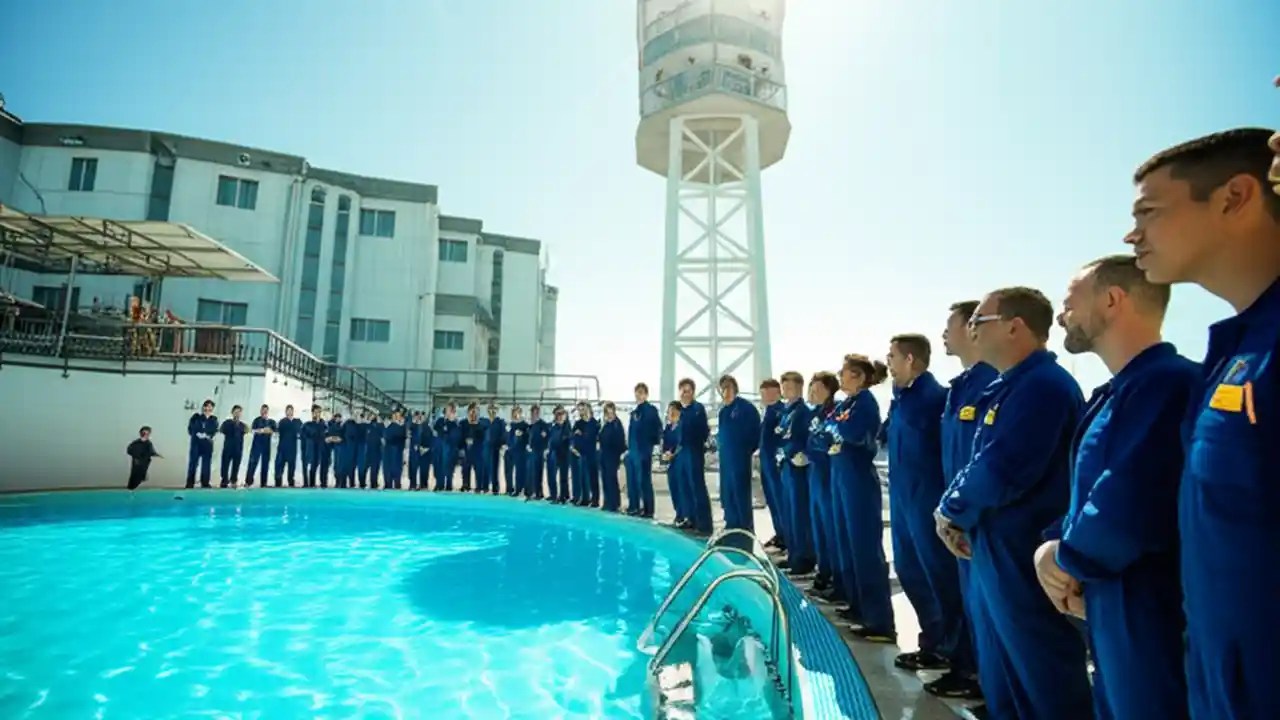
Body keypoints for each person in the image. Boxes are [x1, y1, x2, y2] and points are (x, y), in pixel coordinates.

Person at [1126, 128, 1280, 719]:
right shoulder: (1238, 351)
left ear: (1234, 198)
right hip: (1220, 673)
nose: (1131, 232)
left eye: (1150, 211)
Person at [1037, 254, 1196, 720]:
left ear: (1112, 300)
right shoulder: (1116, 393)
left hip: (1148, 606)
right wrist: (1054, 544)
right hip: (1108, 597)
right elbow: (1085, 492)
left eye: (1070, 303)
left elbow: (1128, 499)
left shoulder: (1168, 384)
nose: (1062, 316)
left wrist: (1064, 557)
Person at [935, 287, 1091, 720]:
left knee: (1040, 666)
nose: (970, 331)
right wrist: (954, 512)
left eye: (977, 322)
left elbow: (1004, 467)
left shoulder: (1042, 387)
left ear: (1014, 327)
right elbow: (981, 461)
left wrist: (950, 511)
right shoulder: (1009, 388)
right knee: (1004, 662)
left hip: (1022, 546)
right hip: (991, 540)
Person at [883, 335, 973, 685]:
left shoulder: (934, 398)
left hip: (927, 498)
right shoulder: (902, 399)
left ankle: (959, 655)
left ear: (910, 359)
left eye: (892, 356)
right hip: (904, 500)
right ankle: (934, 642)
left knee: (941, 578)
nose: (887, 362)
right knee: (911, 572)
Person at [931, 301, 997, 702]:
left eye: (949, 325)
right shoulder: (962, 386)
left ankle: (984, 681)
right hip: (956, 514)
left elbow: (994, 461)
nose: (944, 333)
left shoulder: (993, 384)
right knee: (973, 607)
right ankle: (974, 675)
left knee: (994, 615)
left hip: (982, 519)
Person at [830, 356, 896, 643]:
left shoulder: (866, 402)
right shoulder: (847, 404)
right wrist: (834, 431)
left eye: (843, 373)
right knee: (848, 545)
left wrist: (836, 431)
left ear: (856, 376)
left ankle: (878, 620)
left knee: (865, 549)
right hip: (843, 477)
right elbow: (825, 431)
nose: (840, 378)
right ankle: (858, 607)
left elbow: (853, 433)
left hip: (858, 479)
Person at [804, 373, 840, 597]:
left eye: (817, 388)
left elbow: (828, 441)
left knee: (830, 527)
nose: (813, 392)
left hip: (828, 474)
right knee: (818, 525)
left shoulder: (833, 413)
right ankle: (823, 573)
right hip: (815, 473)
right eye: (812, 388)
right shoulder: (815, 414)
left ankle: (835, 578)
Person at [777, 372, 815, 575]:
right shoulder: (786, 412)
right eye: (784, 387)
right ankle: (793, 555)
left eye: (790, 387)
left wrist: (794, 453)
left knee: (799, 513)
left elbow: (801, 438)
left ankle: (803, 557)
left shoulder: (802, 412)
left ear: (800, 388)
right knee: (789, 513)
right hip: (785, 466)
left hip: (797, 467)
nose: (786, 391)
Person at [717, 375, 762, 541]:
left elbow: (756, 432)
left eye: (728, 387)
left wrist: (746, 450)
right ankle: (731, 526)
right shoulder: (723, 411)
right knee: (727, 493)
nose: (725, 392)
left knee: (740, 494)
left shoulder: (746, 408)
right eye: (723, 389)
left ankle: (745, 530)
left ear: (735, 388)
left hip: (740, 458)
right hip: (725, 459)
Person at [675, 379, 712, 533]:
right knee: (684, 486)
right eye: (683, 391)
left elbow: (704, 431)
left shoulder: (698, 409)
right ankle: (690, 518)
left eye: (688, 391)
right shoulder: (678, 410)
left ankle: (704, 524)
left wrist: (698, 445)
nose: (685, 393)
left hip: (694, 451)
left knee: (697, 486)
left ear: (693, 392)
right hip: (681, 452)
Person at [757, 378, 788, 550]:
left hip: (776, 462)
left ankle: (787, 537)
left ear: (777, 392)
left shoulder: (781, 412)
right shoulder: (767, 412)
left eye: (768, 392)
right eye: (762, 393)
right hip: (765, 461)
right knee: (772, 500)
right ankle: (780, 533)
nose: (764, 396)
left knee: (781, 500)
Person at [626, 383, 663, 517]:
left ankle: (648, 509)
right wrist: (629, 449)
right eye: (637, 393)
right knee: (634, 481)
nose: (638, 395)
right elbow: (630, 433)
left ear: (646, 394)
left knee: (644, 481)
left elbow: (658, 429)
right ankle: (635, 506)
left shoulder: (651, 410)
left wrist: (654, 446)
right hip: (634, 451)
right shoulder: (634, 413)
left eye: (641, 392)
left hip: (644, 451)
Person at [571, 403, 601, 506]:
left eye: (583, 409)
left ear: (588, 409)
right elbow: (573, 437)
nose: (581, 412)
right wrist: (574, 447)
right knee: (583, 477)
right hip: (581, 454)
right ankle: (585, 498)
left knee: (594, 477)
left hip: (593, 453)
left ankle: (595, 500)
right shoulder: (578, 424)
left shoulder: (595, 424)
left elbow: (598, 438)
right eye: (579, 410)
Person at [597, 402, 626, 511]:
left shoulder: (617, 424)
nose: (609, 414)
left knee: (611, 479)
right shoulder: (605, 424)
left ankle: (614, 503)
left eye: (610, 412)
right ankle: (607, 501)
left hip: (612, 456)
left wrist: (617, 455)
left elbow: (620, 442)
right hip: (604, 455)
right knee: (605, 479)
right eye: (607, 412)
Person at [185, 399, 217, 489]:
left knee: (206, 464)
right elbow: (191, 428)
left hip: (207, 444)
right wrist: (197, 433)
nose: (208, 408)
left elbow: (214, 430)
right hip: (196, 444)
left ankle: (205, 482)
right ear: (204, 407)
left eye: (211, 407)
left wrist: (207, 435)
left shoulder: (213, 419)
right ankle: (190, 483)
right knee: (193, 463)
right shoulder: (196, 417)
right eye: (207, 406)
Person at [245, 405, 275, 488]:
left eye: (266, 410)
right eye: (263, 410)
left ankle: (263, 483)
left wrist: (269, 431)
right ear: (260, 411)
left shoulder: (271, 421)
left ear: (268, 411)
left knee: (265, 463)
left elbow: (274, 431)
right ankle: (248, 481)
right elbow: (252, 430)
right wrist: (262, 430)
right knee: (253, 462)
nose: (264, 411)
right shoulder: (257, 420)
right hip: (257, 444)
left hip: (266, 445)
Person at [218, 404, 247, 488]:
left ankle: (233, 480)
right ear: (232, 412)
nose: (237, 414)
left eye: (239, 412)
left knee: (236, 465)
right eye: (236, 412)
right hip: (228, 447)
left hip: (238, 448)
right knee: (225, 465)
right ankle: (224, 480)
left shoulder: (242, 425)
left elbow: (247, 431)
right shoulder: (227, 423)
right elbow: (221, 430)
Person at [547, 406, 571, 503]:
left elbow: (569, 440)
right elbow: (550, 440)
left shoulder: (567, 428)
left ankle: (563, 497)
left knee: (563, 477)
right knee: (552, 475)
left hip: (564, 455)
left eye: (562, 415)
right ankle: (554, 495)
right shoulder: (553, 427)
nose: (560, 417)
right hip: (554, 454)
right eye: (558, 415)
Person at [274, 405, 302, 487]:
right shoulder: (282, 422)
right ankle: (278, 483)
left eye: (291, 410)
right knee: (279, 465)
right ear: (286, 412)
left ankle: (291, 482)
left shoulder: (298, 422)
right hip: (282, 447)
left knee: (292, 466)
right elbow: (276, 432)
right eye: (288, 410)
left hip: (292, 448)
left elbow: (301, 433)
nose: (289, 412)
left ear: (293, 411)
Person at [527, 405, 551, 500]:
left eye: (536, 412)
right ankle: (532, 491)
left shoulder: (543, 424)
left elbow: (547, 437)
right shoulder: (531, 425)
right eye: (533, 412)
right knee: (531, 472)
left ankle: (538, 492)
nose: (534, 414)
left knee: (538, 472)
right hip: (531, 451)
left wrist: (545, 449)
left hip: (539, 451)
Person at [484, 404, 506, 495]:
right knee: (485, 467)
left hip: (495, 448)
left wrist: (501, 444)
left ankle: (495, 487)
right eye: (490, 410)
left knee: (494, 468)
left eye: (494, 410)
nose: (492, 412)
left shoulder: (500, 422)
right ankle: (485, 487)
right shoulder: (484, 422)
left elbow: (503, 435)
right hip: (485, 447)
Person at [507, 406, 529, 497]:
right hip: (510, 451)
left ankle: (520, 489)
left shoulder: (525, 425)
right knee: (509, 471)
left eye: (517, 413)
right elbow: (506, 436)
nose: (516, 415)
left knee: (520, 471)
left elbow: (527, 438)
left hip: (520, 451)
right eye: (514, 413)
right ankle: (509, 489)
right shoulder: (509, 425)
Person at [302, 405, 326, 489]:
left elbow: (326, 435)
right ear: (312, 413)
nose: (317, 414)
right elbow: (304, 436)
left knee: (319, 465)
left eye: (319, 412)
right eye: (315, 412)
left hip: (321, 449)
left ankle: (322, 483)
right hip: (311, 449)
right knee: (311, 466)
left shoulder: (324, 425)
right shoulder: (307, 425)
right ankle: (309, 483)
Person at [382, 410, 407, 489]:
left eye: (398, 416)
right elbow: (385, 437)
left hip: (397, 450)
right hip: (388, 450)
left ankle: (397, 484)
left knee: (396, 468)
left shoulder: (402, 427)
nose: (396, 418)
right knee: (388, 468)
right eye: (395, 416)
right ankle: (388, 483)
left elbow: (402, 437)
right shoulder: (389, 426)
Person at [362, 411, 384, 489]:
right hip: (367, 450)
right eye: (371, 415)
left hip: (377, 450)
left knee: (375, 469)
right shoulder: (366, 426)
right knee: (364, 468)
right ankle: (362, 483)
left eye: (374, 415)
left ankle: (374, 483)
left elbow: (383, 435)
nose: (373, 416)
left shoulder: (380, 425)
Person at [321, 412, 343, 488]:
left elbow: (341, 438)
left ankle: (338, 482)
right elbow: (326, 437)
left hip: (337, 448)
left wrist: (333, 439)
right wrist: (331, 439)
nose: (338, 419)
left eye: (339, 418)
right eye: (337, 418)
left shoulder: (341, 427)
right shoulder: (328, 425)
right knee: (327, 464)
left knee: (337, 465)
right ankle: (324, 482)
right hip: (328, 448)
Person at [412, 412, 433, 491]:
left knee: (425, 469)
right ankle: (415, 484)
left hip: (426, 451)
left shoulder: (428, 428)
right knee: (415, 468)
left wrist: (426, 448)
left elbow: (431, 439)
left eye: (423, 416)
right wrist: (417, 446)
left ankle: (424, 484)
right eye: (421, 416)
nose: (421, 417)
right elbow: (414, 438)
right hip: (418, 451)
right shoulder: (417, 427)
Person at [342, 412, 363, 488]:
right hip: (354, 449)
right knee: (352, 467)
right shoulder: (355, 425)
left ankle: (346, 483)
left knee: (348, 466)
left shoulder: (346, 425)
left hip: (348, 449)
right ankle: (351, 482)